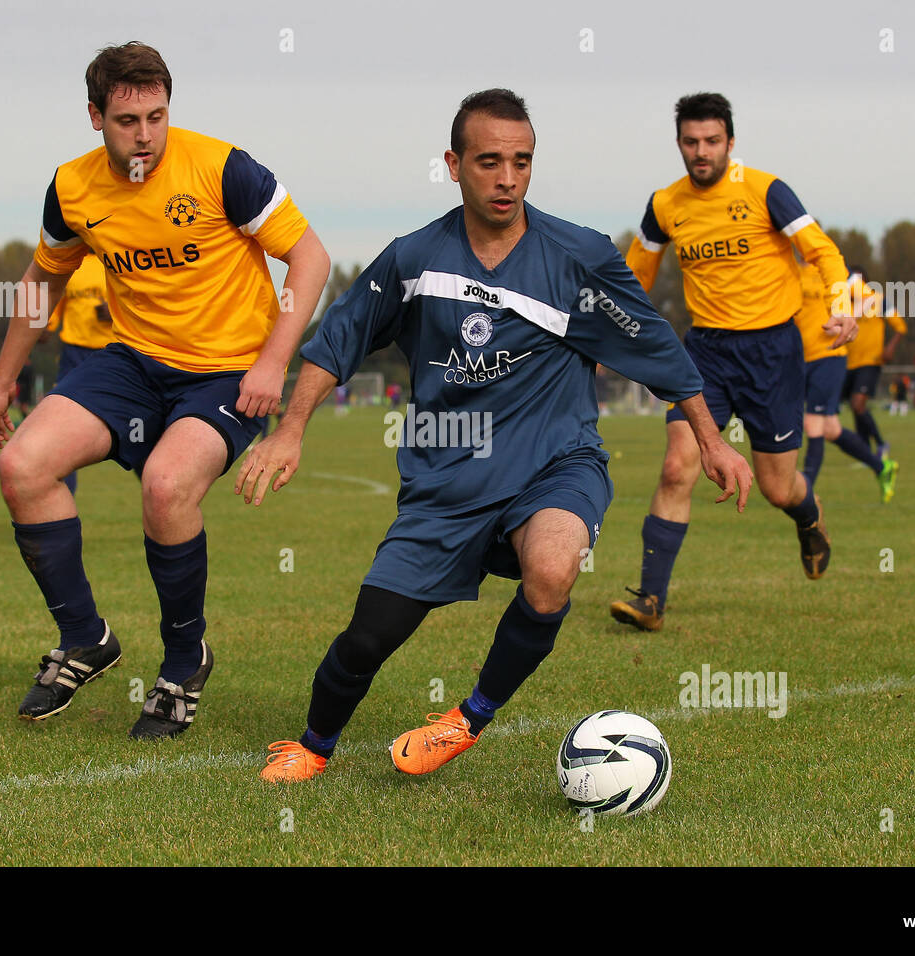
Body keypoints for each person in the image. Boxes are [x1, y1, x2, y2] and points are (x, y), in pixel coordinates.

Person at [241, 89, 750, 783]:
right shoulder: (413, 259)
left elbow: (658, 348)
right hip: (444, 487)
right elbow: (338, 341)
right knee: (367, 638)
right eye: (488, 162)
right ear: (453, 164)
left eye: (522, 161)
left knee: (551, 568)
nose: (507, 178)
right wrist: (289, 431)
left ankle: (467, 719)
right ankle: (314, 744)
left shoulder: (580, 258)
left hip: (555, 466)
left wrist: (713, 441)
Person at [0, 41, 330, 739]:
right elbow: (43, 277)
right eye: (126, 120)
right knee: (22, 465)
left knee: (166, 486)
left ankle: (181, 660)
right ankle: (85, 638)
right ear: (94, 117)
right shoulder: (72, 187)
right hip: (133, 363)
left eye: (156, 117)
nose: (144, 135)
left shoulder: (224, 169)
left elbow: (311, 258)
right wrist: (2, 380)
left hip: (229, 370)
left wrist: (271, 362)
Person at [609, 92, 857, 633]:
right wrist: (605, 332)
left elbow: (822, 251)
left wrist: (841, 304)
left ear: (730, 142)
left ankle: (809, 518)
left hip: (774, 353)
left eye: (712, 141)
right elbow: (634, 279)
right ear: (679, 143)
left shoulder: (766, 190)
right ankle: (650, 599)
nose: (701, 151)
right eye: (691, 142)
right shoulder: (666, 204)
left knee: (776, 487)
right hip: (704, 354)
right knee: (678, 465)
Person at [798, 264, 898, 502]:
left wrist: (849, 316)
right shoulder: (791, 270)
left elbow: (872, 298)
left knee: (813, 423)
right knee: (830, 428)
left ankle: (805, 492)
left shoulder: (836, 272)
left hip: (829, 357)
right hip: (803, 359)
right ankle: (882, 467)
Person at [46, 252, 117, 491]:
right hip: (73, 356)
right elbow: (49, 318)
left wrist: (116, 311)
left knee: (138, 430)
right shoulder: (70, 265)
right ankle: (60, 504)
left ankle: (163, 492)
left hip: (116, 354)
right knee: (60, 433)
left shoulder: (119, 259)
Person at [842, 267, 905, 457]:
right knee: (855, 407)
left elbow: (900, 326)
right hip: (847, 362)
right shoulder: (844, 304)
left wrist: (890, 347)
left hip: (871, 360)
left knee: (858, 404)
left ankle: (880, 443)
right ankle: (864, 452)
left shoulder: (878, 300)